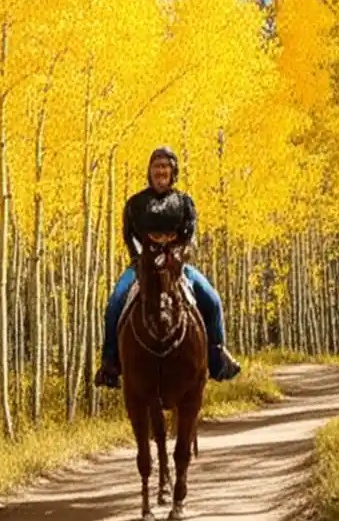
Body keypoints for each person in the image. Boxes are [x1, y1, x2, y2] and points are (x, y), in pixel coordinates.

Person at [94, 146, 243, 389]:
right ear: (150, 172)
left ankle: (217, 357)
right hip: (142, 265)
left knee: (212, 299)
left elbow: (191, 237)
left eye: (165, 167)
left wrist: (179, 256)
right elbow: (129, 236)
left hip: (177, 266)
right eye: (156, 167)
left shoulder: (185, 203)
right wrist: (141, 259)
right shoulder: (135, 204)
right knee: (115, 301)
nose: (161, 171)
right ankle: (110, 362)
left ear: (173, 172)